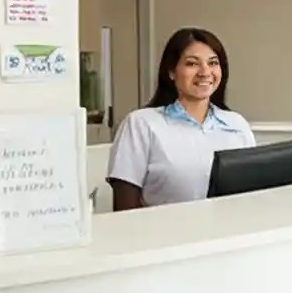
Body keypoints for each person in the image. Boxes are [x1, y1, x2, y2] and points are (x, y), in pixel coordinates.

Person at [106, 27, 255, 211]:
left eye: (213, 63)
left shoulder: (237, 124)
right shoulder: (141, 124)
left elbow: (251, 196)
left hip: (229, 235)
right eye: (192, 64)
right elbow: (125, 209)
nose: (205, 72)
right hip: (165, 237)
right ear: (171, 72)